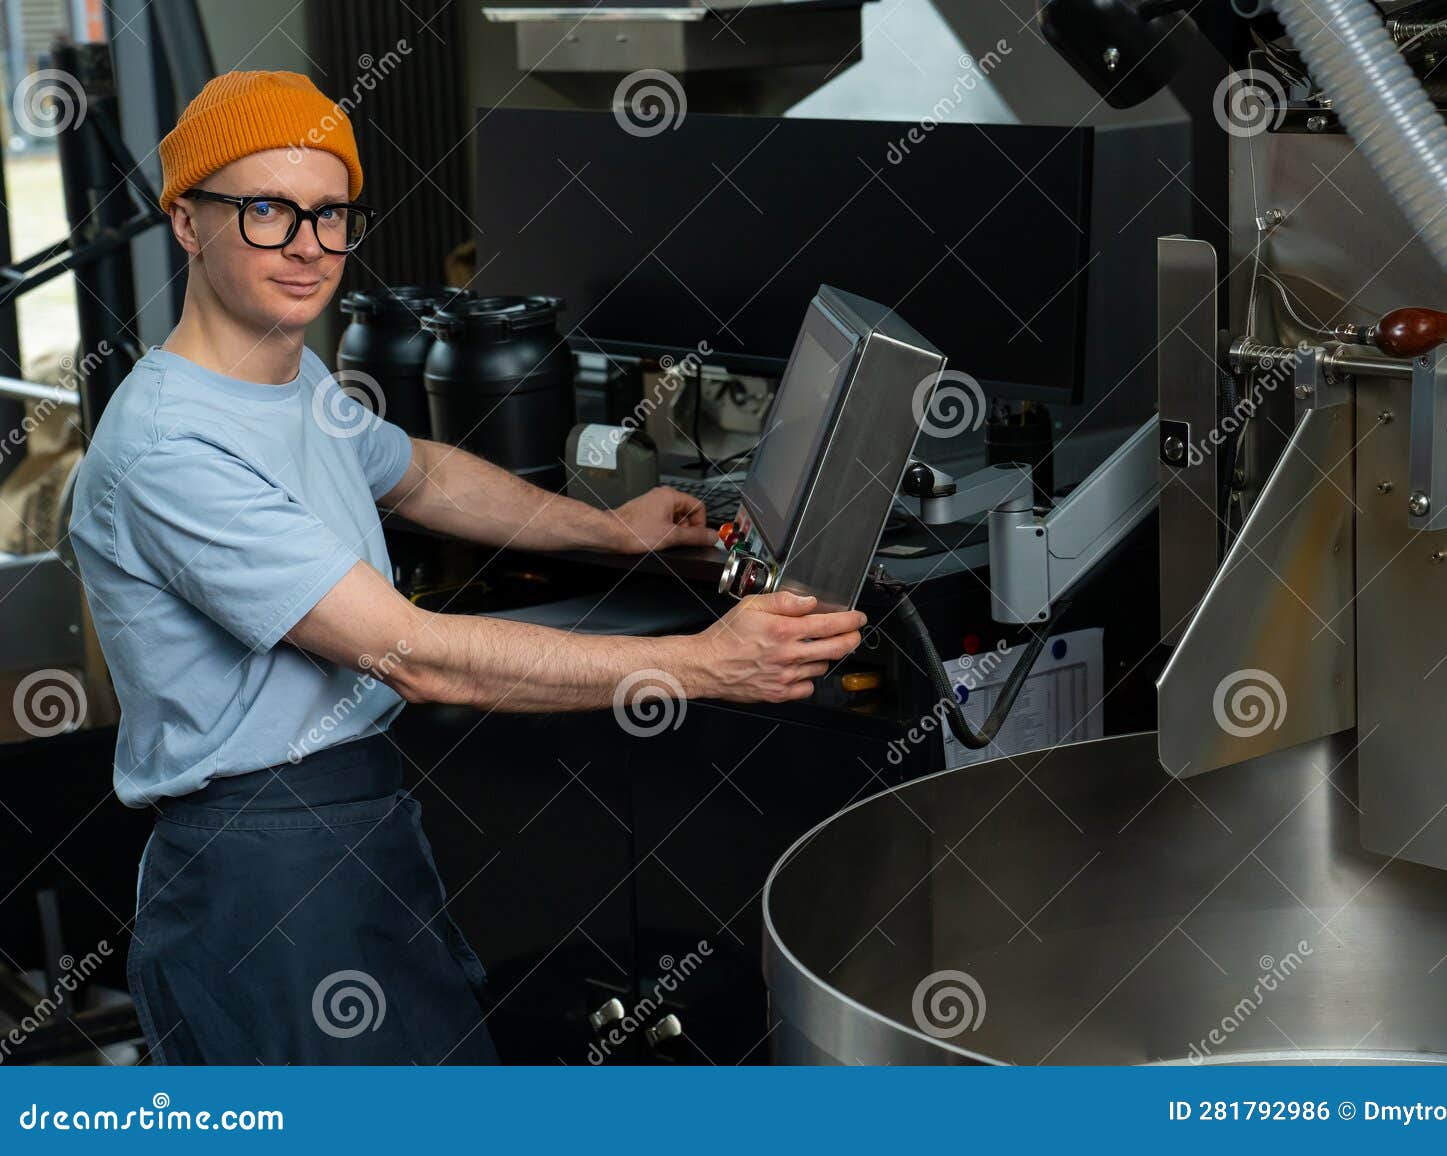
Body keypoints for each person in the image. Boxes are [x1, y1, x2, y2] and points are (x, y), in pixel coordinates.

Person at [67, 71, 864, 1065]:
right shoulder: (172, 447)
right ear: (187, 221)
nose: (309, 245)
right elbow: (417, 655)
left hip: (356, 829)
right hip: (261, 876)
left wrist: (609, 530)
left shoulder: (287, 374)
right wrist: (705, 664)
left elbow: (420, 473)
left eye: (330, 213)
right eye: (266, 210)